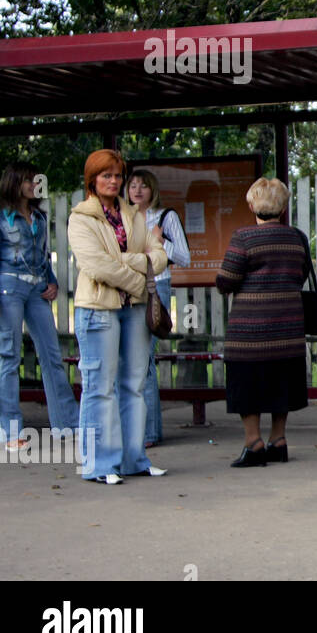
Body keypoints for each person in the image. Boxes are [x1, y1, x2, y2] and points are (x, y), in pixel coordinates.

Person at [68, 149, 168, 483]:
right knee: (100, 387)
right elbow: (96, 265)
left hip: (134, 311)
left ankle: (133, 459)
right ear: (92, 180)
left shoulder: (134, 214)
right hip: (98, 310)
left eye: (117, 175)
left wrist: (134, 263)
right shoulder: (81, 218)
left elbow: (159, 256)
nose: (113, 181)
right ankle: (100, 465)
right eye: (106, 175)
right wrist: (139, 276)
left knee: (134, 384)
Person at [215, 177, 309, 468]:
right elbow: (301, 273)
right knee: (282, 382)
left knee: (249, 383)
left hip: (250, 331)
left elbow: (226, 280)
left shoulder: (244, 237)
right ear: (283, 207)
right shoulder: (297, 237)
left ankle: (253, 443)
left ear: (252, 204)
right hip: (289, 328)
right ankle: (278, 440)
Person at [0, 162, 79, 448]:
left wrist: (51, 280)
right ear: (14, 182)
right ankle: (8, 431)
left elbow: (44, 254)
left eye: (35, 181)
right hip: (8, 288)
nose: (33, 185)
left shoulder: (39, 217)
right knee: (8, 356)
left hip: (37, 288)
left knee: (52, 355)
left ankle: (67, 424)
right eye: (28, 181)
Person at [127, 169, 190, 449]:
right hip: (127, 288)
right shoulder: (123, 218)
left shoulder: (166, 217)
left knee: (146, 360)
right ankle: (133, 426)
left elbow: (184, 257)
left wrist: (161, 240)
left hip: (156, 288)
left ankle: (150, 431)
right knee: (131, 359)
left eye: (143, 185)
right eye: (132, 185)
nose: (137, 190)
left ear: (153, 189)